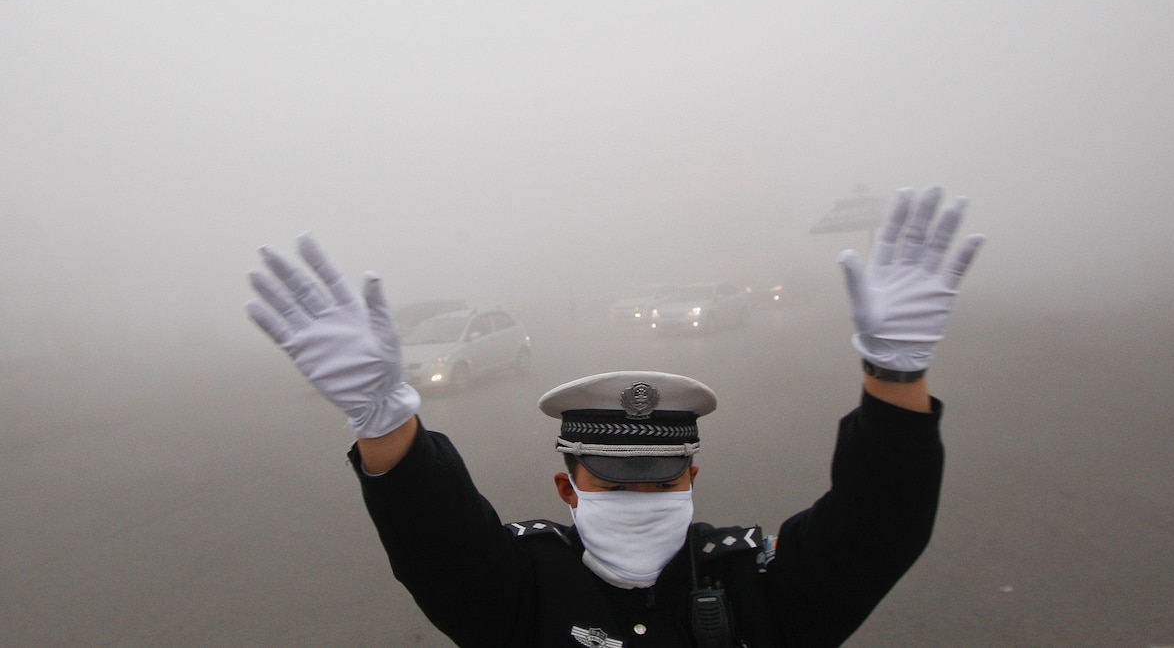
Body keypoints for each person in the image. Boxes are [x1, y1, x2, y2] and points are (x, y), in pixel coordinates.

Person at [245, 185, 985, 647]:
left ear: (692, 476)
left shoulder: (752, 589)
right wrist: (381, 419)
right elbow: (433, 537)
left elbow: (879, 524)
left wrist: (896, 375)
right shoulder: (521, 592)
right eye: (612, 481)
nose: (640, 497)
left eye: (660, 481)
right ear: (568, 490)